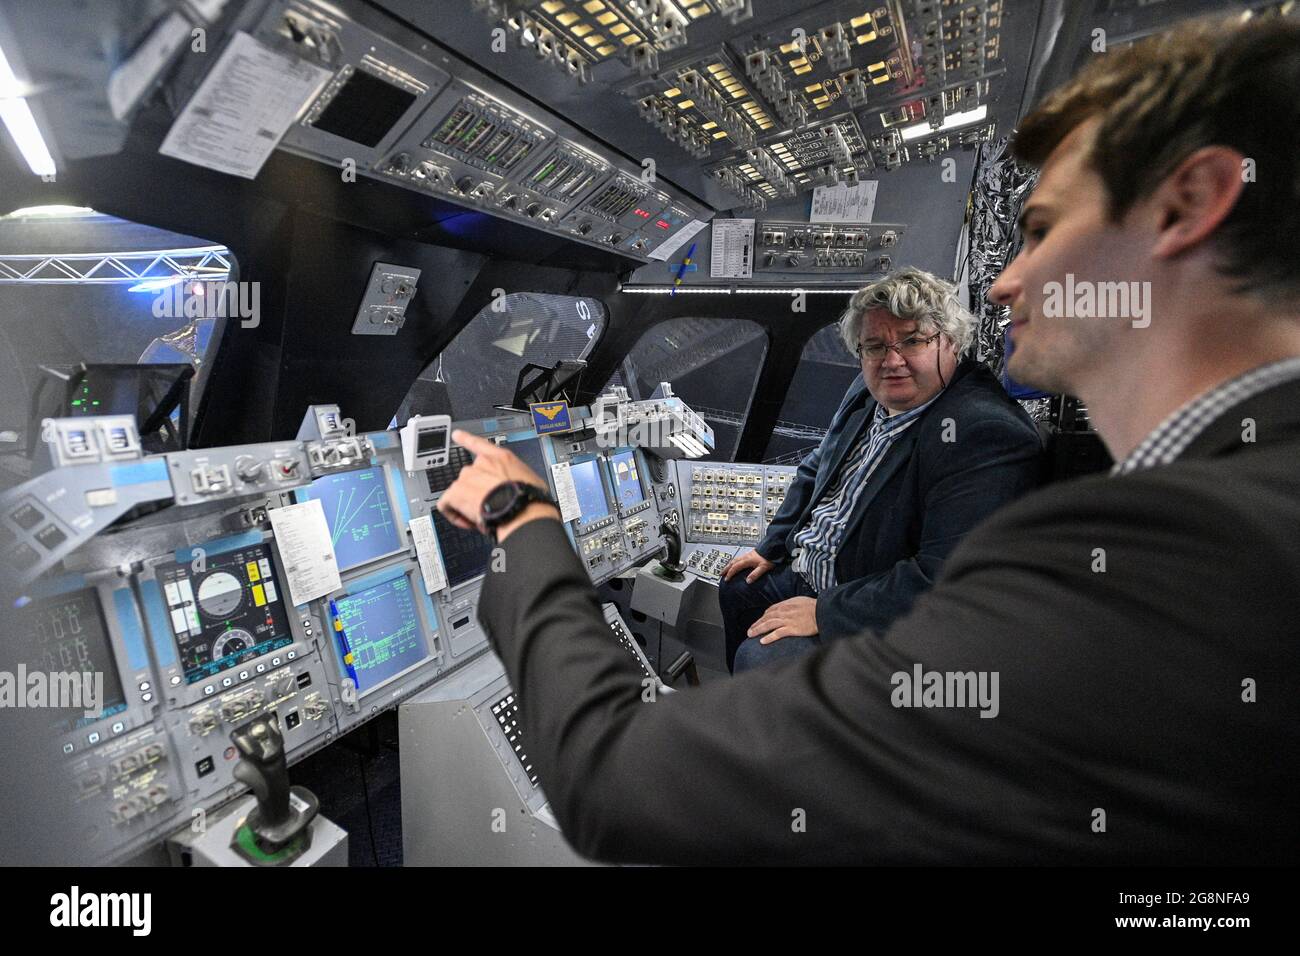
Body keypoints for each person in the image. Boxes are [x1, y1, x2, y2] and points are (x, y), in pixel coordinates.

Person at [437, 15, 1300, 864]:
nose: (1005, 280)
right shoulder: (1226, 492)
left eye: (1041, 230)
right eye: (875, 345)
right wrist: (775, 553)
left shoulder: (1190, 550)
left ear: (1187, 204)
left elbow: (617, 783)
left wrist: (522, 519)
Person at [718, 267, 1041, 673]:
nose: (892, 361)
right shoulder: (868, 392)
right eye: (874, 346)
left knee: (763, 658)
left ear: (953, 343)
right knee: (738, 587)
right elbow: (818, 464)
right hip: (815, 575)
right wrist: (774, 544)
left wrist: (825, 613)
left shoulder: (981, 433)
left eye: (912, 341)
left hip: (877, 613)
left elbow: (948, 579)